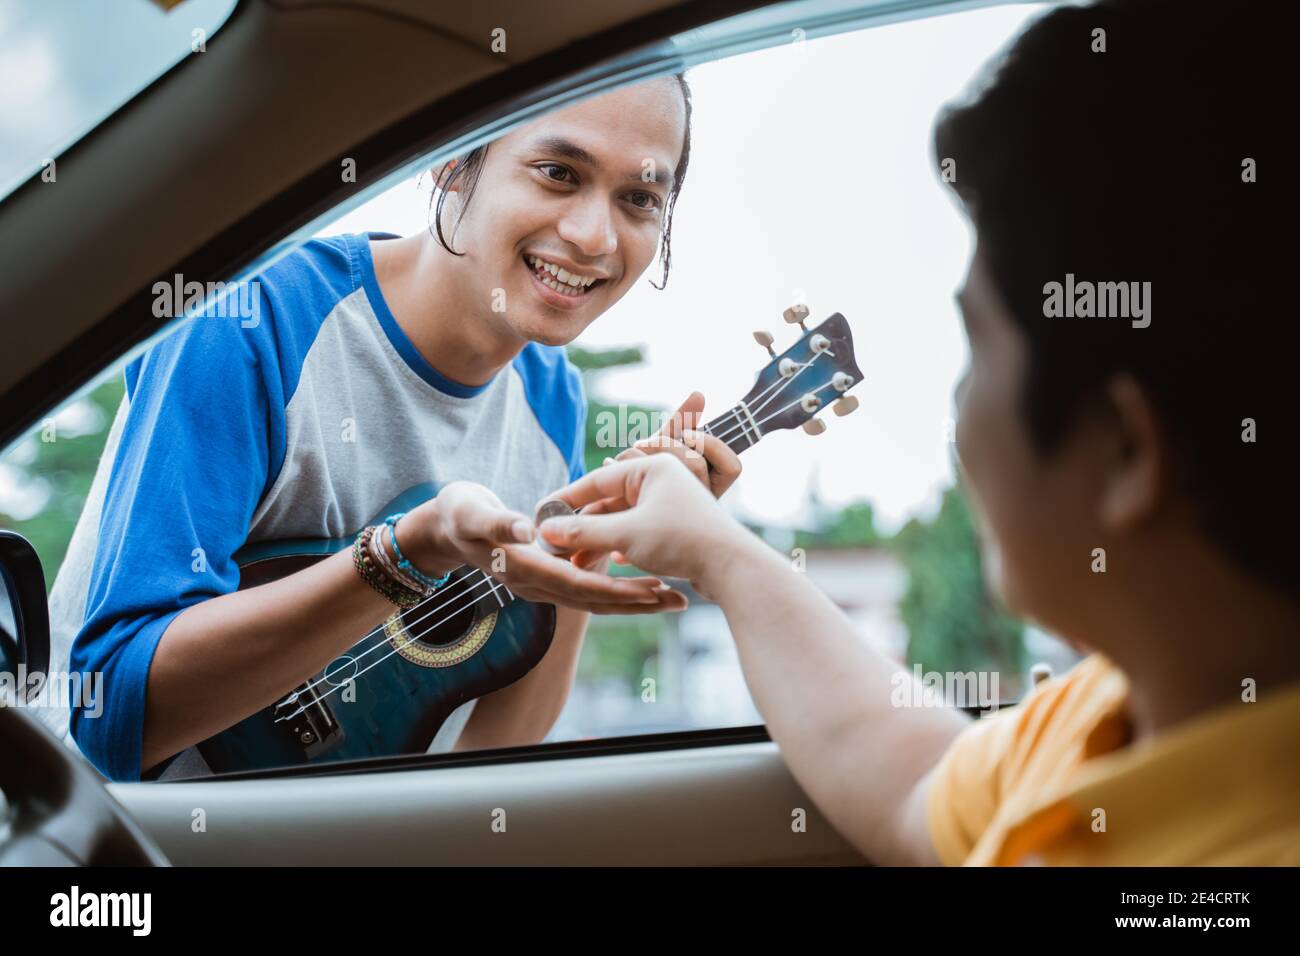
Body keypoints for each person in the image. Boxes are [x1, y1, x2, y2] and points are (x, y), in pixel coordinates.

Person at [537, 0, 1298, 865]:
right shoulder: (1107, 718)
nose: (958, 425)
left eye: (977, 351)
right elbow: (911, 784)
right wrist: (714, 550)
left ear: (1126, 448)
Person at [47, 74, 742, 782]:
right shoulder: (252, 320)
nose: (594, 236)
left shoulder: (550, 397)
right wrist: (406, 556)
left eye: (639, 199)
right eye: (557, 173)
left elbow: (491, 757)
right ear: (451, 157)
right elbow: (114, 721)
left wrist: (591, 546)